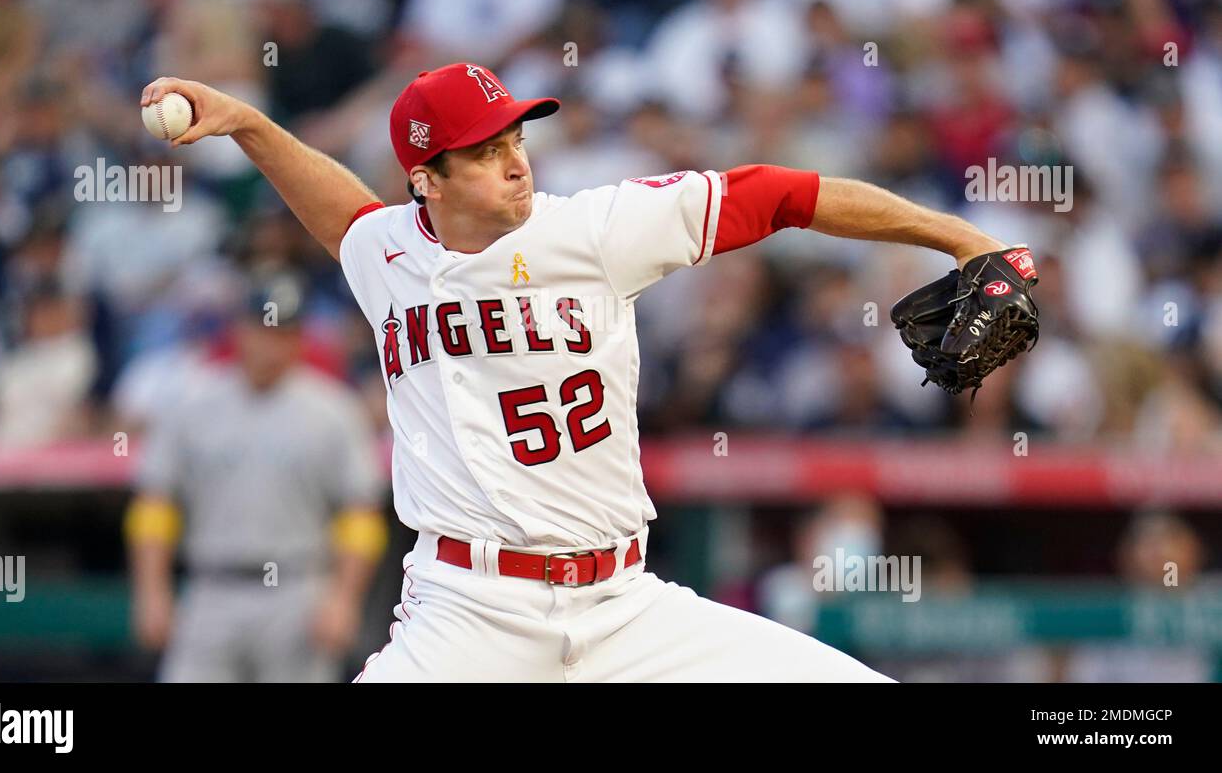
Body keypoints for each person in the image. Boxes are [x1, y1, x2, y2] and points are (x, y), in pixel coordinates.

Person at [138, 62, 1010, 681]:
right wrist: (249, 125)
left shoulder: (597, 228)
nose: (516, 158)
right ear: (425, 179)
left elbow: (784, 193)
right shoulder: (387, 251)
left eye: (515, 135)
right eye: (483, 150)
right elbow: (340, 211)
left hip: (626, 606)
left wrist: (963, 238)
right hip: (470, 613)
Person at [125, 276, 387, 682]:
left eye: (283, 333)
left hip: (298, 590)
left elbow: (360, 517)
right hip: (211, 587)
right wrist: (152, 591)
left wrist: (343, 598)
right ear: (239, 331)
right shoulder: (193, 405)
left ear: (299, 338)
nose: (270, 344)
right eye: (261, 330)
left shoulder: (334, 411)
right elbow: (155, 507)